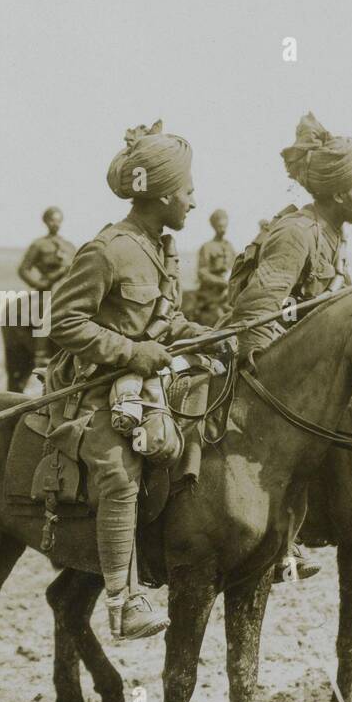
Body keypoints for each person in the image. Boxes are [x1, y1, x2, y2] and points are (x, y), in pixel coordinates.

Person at [45, 121, 223, 641]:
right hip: (95, 390)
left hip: (150, 384)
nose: (193, 201)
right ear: (165, 193)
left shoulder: (163, 249)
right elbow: (64, 321)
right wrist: (130, 351)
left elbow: (166, 324)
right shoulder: (108, 249)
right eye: (188, 191)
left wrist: (213, 336)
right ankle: (123, 604)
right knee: (120, 473)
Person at [224, 111, 352, 581]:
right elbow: (258, 310)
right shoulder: (297, 232)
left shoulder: (333, 236)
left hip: (314, 368)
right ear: (336, 193)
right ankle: (277, 541)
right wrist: (275, 381)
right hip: (273, 370)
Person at [17, 206, 76, 369]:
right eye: (52, 220)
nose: (55, 224)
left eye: (58, 220)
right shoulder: (39, 245)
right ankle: (41, 353)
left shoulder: (69, 246)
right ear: (45, 222)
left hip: (67, 287)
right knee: (46, 310)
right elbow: (23, 269)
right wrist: (38, 284)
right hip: (47, 289)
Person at [192, 208, 236, 324]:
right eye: (219, 226)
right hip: (211, 297)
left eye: (224, 226)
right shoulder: (207, 247)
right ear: (214, 226)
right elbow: (202, 273)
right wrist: (222, 282)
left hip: (228, 295)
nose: (222, 229)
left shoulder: (230, 247)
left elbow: (235, 267)